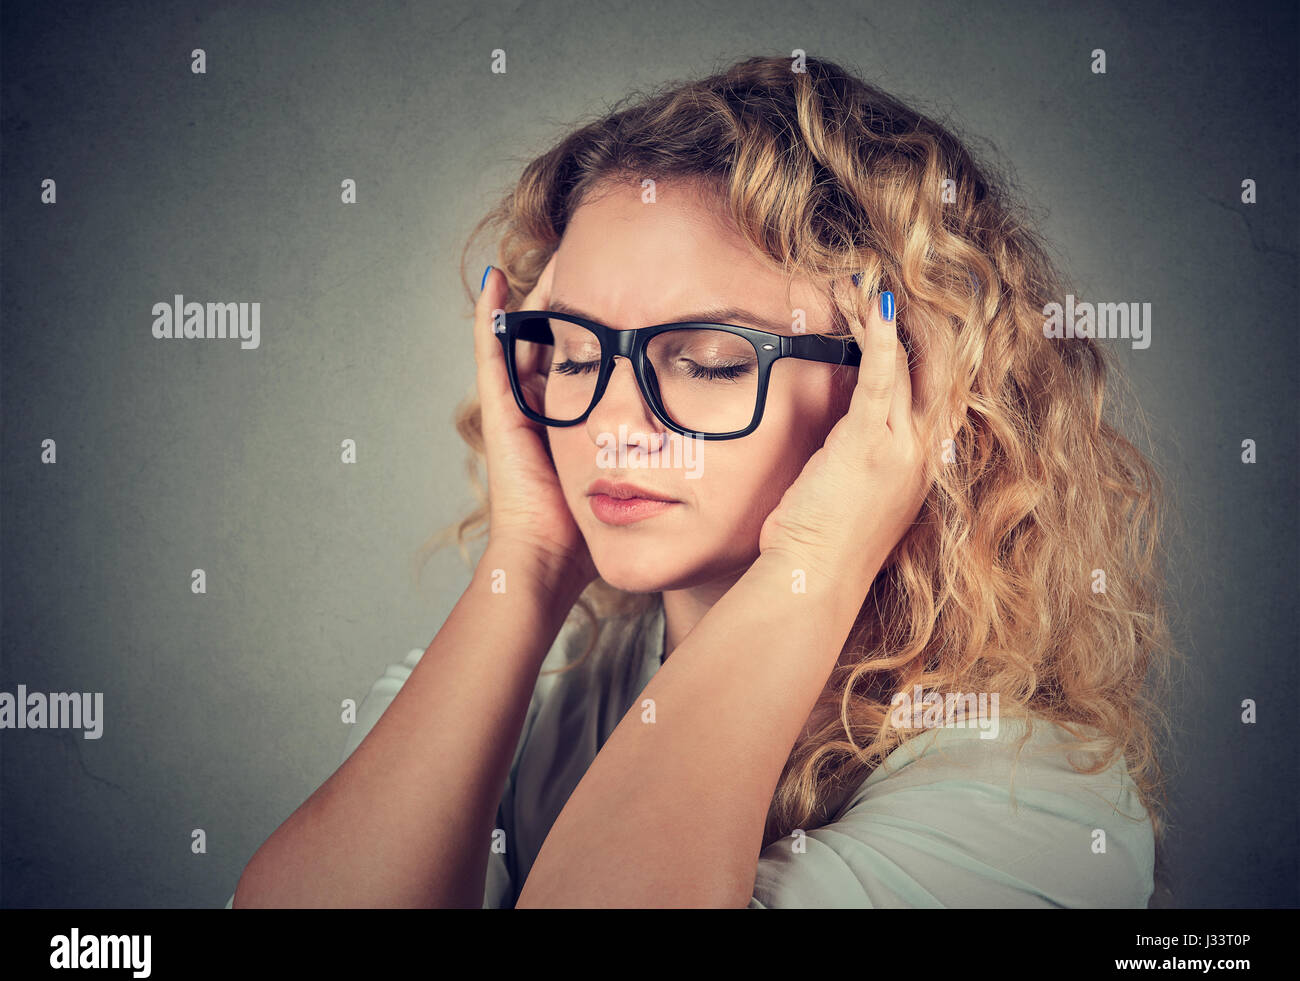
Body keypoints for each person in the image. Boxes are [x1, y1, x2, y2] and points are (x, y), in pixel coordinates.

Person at [228, 53, 1174, 908]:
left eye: (712, 361)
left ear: (902, 387)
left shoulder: (1029, 802)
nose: (614, 426)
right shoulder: (539, 683)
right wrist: (530, 554)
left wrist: (816, 556)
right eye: (574, 351)